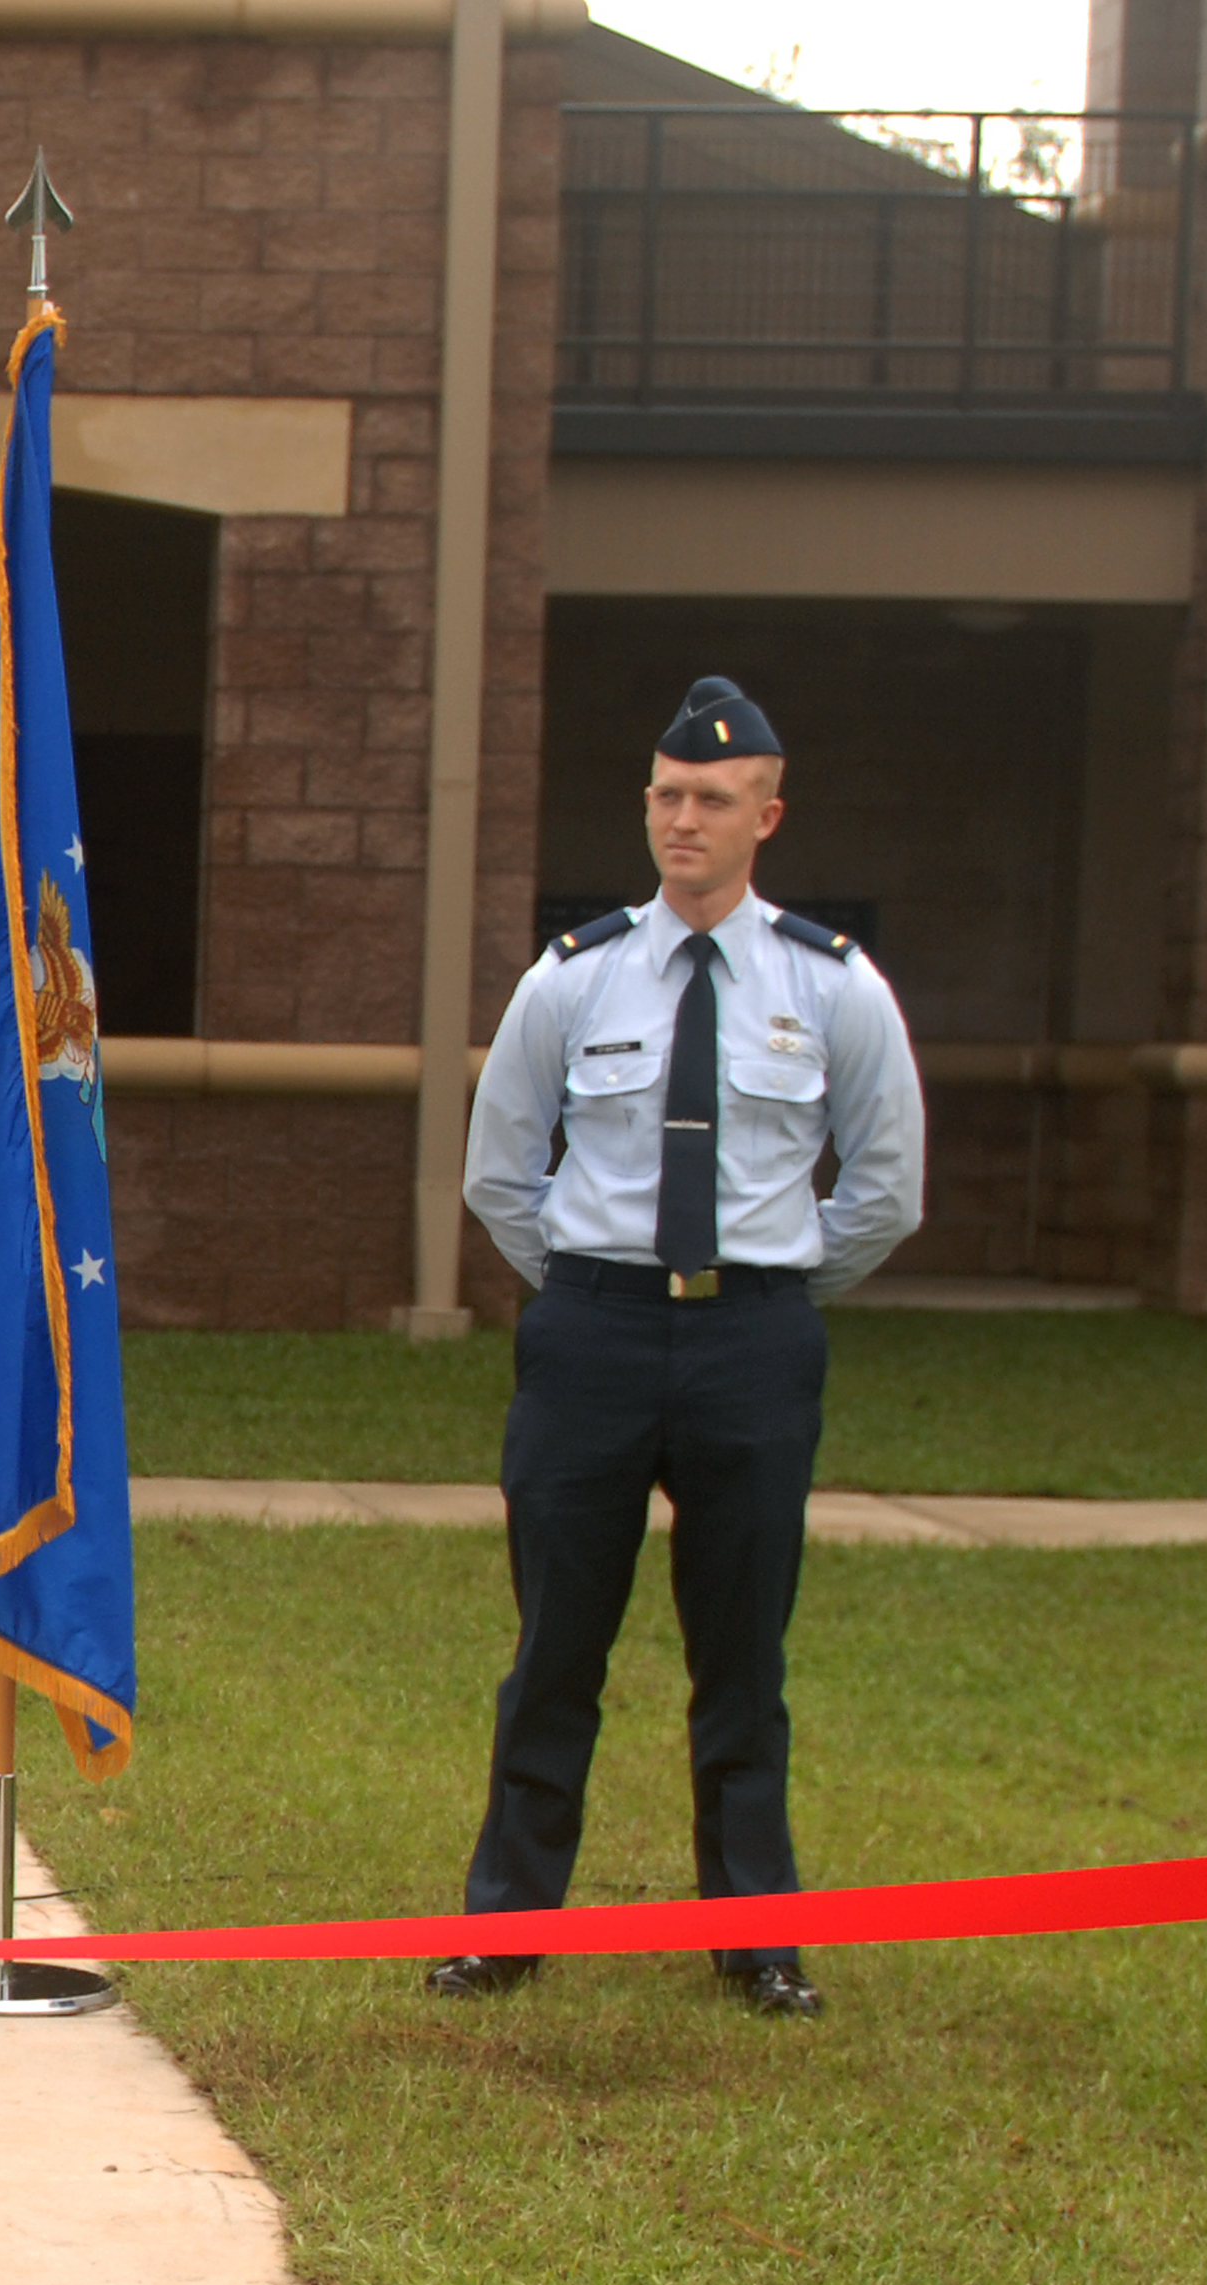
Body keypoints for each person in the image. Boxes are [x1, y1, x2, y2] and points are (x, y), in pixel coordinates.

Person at [429, 675, 925, 2019]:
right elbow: (499, 1175)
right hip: (590, 1335)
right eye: (665, 795)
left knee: (743, 1653)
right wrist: (597, 1288)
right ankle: (509, 1925)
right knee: (556, 1647)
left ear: (769, 814)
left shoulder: (832, 984)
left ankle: (757, 1938)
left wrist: (765, 1287)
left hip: (754, 1344)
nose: (683, 819)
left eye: (713, 799)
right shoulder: (573, 975)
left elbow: (886, 1184)